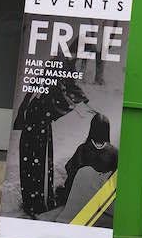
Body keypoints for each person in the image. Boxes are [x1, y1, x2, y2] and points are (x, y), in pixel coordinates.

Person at [12, 76, 87, 217]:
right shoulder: (52, 85)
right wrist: (79, 101)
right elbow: (63, 100)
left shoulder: (42, 82)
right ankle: (37, 203)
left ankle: (31, 201)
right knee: (39, 165)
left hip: (32, 125)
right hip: (38, 126)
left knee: (31, 165)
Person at [56, 112, 118, 206]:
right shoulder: (114, 152)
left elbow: (70, 168)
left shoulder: (83, 149)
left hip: (81, 196)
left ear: (92, 129)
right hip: (103, 197)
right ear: (107, 130)